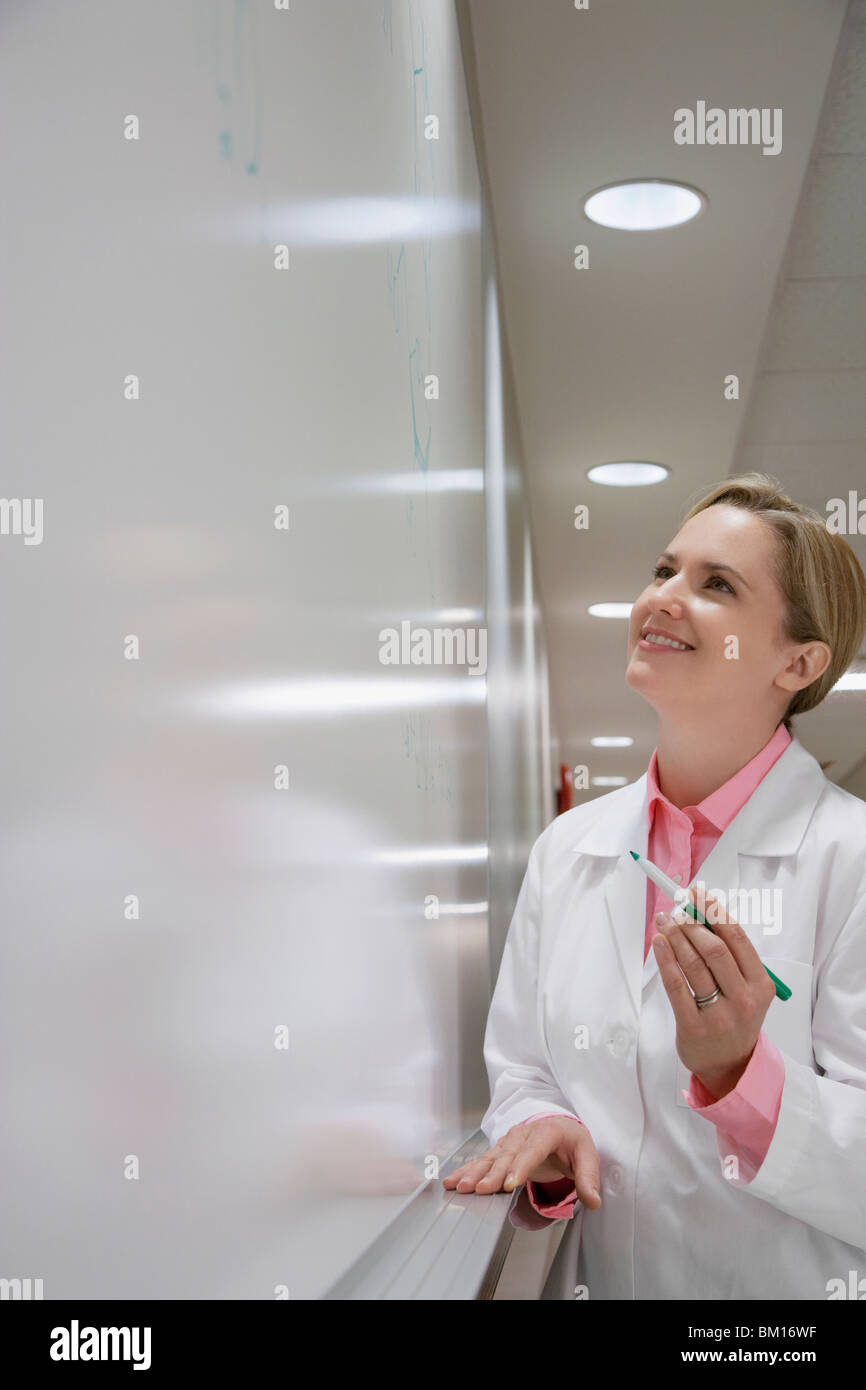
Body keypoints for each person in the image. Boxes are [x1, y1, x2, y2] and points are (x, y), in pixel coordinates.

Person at [443, 473, 866, 1299]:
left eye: (717, 585)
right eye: (664, 570)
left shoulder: (850, 857)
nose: (664, 598)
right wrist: (542, 1123)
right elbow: (524, 1064)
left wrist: (741, 1070)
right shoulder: (570, 850)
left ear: (798, 661)